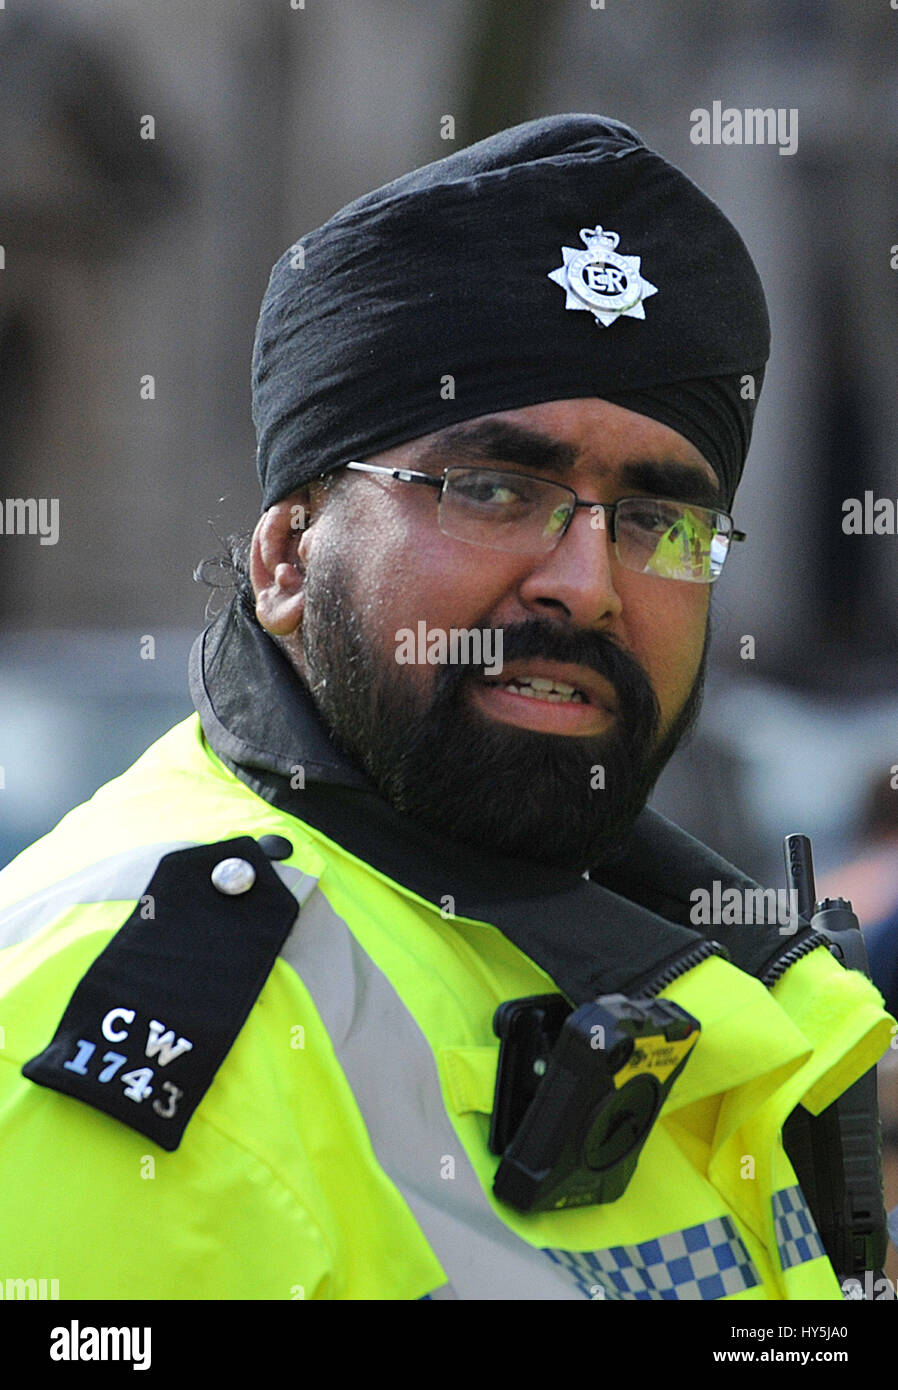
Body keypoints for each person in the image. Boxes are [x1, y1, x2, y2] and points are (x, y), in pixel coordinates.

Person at [0, 114, 892, 1302]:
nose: (586, 584)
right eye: (490, 489)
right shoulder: (132, 1014)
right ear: (284, 559)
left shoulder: (727, 978)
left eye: (659, 521)